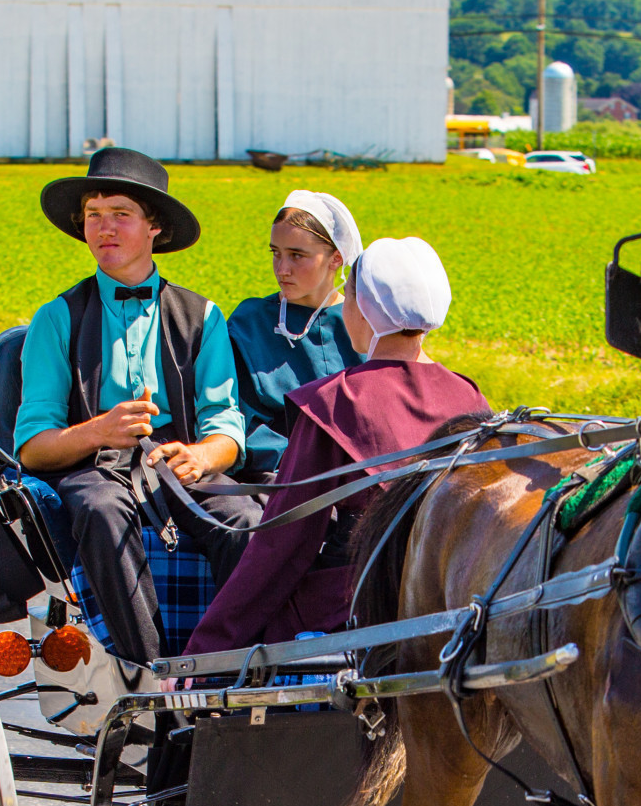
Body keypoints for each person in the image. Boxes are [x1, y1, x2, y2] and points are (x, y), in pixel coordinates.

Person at [184, 237, 490, 657]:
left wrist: (207, 650)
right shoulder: (470, 397)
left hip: (360, 603)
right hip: (453, 604)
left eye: (347, 296)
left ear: (363, 309)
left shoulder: (335, 402)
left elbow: (283, 544)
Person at [12, 147, 256, 666]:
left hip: (179, 469)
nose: (104, 228)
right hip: (94, 470)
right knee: (103, 511)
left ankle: (227, 667)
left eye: (120, 214)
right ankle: (147, 674)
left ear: (155, 229)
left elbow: (226, 425)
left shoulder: (202, 317)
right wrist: (98, 430)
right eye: (93, 216)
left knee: (244, 519)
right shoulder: (55, 320)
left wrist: (204, 456)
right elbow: (33, 448)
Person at [225, 191, 366, 482]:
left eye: (297, 256)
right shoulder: (251, 322)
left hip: (359, 481)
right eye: (275, 253)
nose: (282, 269)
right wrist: (302, 468)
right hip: (276, 482)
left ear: (335, 258)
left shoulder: (364, 322)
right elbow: (239, 418)